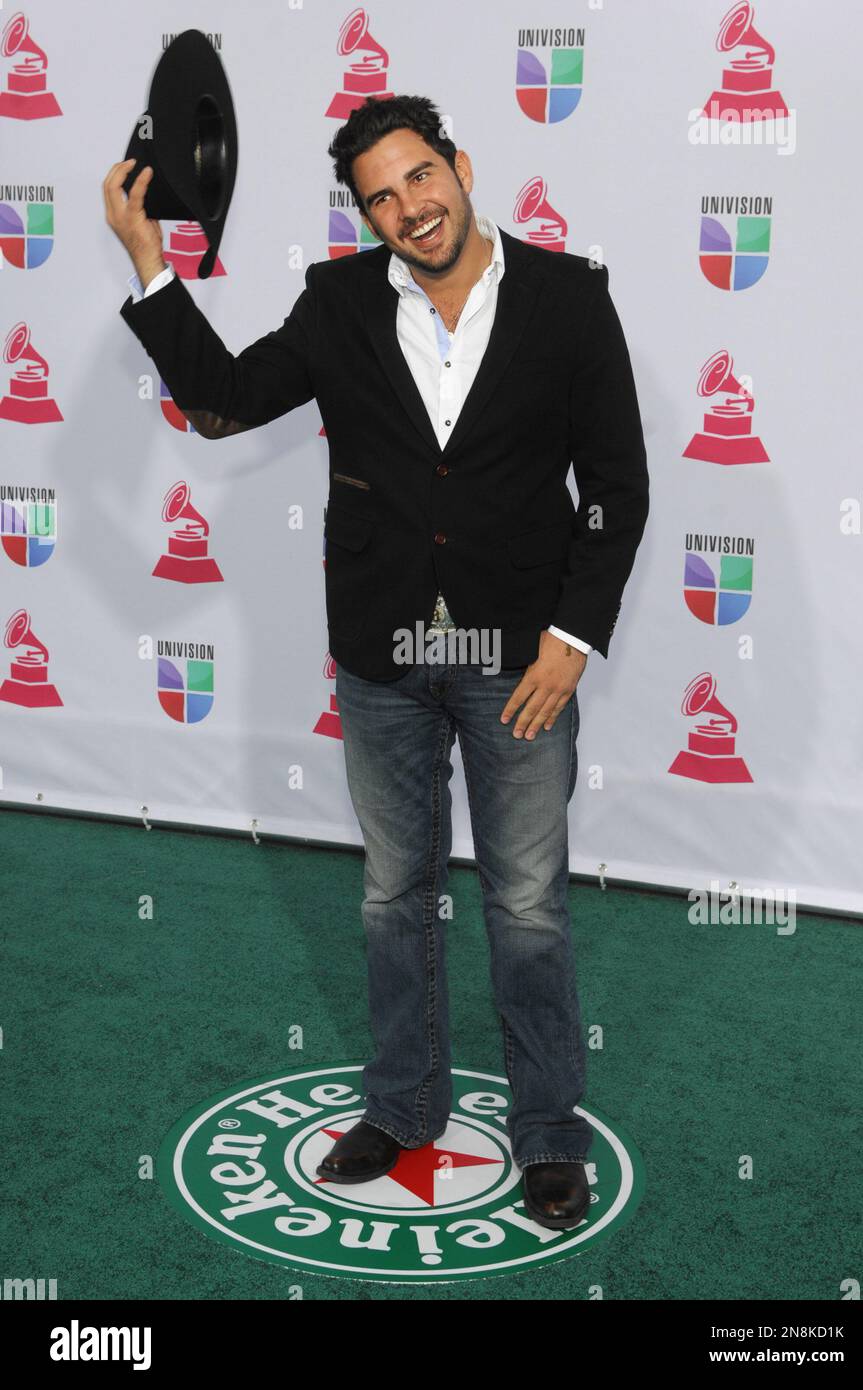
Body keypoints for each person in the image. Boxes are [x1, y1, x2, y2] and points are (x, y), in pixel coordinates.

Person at [104, 94, 649, 1231]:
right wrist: (152, 262)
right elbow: (224, 403)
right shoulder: (338, 301)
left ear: (460, 163)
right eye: (382, 197)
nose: (411, 207)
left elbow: (617, 485)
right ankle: (403, 1105)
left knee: (530, 904)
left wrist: (574, 633)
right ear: (363, 216)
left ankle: (547, 1128)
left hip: (518, 661)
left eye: (421, 177)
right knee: (394, 896)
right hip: (383, 655)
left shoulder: (571, 298)